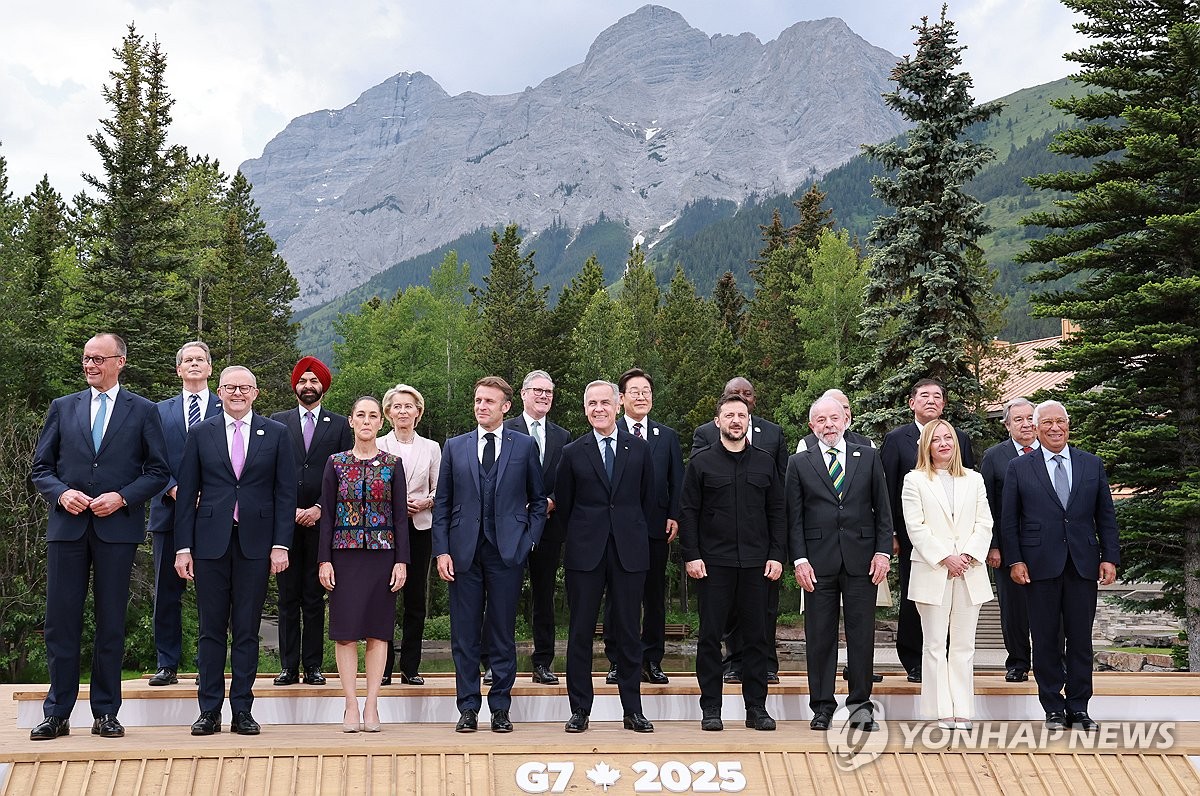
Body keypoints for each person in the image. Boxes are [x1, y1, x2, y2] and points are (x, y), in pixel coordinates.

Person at [30, 333, 170, 741]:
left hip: (116, 531)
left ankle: (106, 712)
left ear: (119, 362)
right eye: (86, 358)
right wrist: (62, 493)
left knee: (111, 623)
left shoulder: (143, 411)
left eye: (98, 358)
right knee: (60, 623)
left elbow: (158, 472)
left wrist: (123, 498)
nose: (89, 365)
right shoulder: (62, 407)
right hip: (67, 530)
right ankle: (57, 713)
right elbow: (41, 468)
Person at [174, 366, 296, 736]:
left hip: (256, 545)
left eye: (244, 388)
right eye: (230, 387)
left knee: (246, 630)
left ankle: (242, 709)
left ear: (256, 393)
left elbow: (285, 492)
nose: (237, 393)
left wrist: (280, 544)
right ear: (220, 392)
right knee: (211, 631)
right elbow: (185, 495)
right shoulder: (200, 433)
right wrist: (183, 548)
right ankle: (208, 711)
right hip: (209, 543)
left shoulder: (276, 434)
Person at [432, 376, 546, 734]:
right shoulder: (454, 446)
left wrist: (528, 541)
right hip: (463, 553)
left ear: (505, 407)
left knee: (501, 633)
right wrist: (442, 551)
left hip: (507, 553)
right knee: (464, 635)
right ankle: (467, 709)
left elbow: (539, 502)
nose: (481, 406)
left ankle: (500, 707)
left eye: (489, 401)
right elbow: (443, 504)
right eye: (478, 400)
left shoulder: (525, 446)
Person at [1001, 400, 1119, 732]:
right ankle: (1052, 706)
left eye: (1061, 422)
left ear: (1068, 425)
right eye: (1047, 423)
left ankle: (1079, 707)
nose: (1055, 428)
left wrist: (1109, 556)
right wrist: (1015, 559)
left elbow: (1105, 516)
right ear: (1035, 429)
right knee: (1045, 638)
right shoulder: (1020, 467)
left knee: (1081, 639)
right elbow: (1009, 520)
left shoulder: (1090, 464)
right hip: (1038, 566)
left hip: (1082, 564)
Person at [680, 392, 785, 731]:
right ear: (718, 422)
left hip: (757, 565)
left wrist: (776, 555)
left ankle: (757, 709)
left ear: (748, 421)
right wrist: (692, 555)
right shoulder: (701, 462)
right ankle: (711, 709)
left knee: (756, 639)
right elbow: (689, 513)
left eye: (741, 415)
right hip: (713, 565)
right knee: (710, 637)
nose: (736, 421)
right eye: (729, 416)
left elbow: (777, 513)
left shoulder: (765, 462)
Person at [558, 381, 657, 734]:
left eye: (604, 402)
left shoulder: (641, 450)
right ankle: (580, 710)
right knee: (580, 633)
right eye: (591, 403)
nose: (598, 408)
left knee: (630, 633)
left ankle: (633, 711)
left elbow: (648, 500)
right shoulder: (572, 453)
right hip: (585, 553)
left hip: (630, 552)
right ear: (585, 408)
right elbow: (565, 506)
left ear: (618, 405)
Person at [787, 396, 892, 732]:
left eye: (834, 418)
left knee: (862, 636)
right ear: (811, 426)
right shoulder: (799, 462)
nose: (828, 425)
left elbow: (883, 512)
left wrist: (882, 553)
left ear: (845, 420)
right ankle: (821, 707)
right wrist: (800, 559)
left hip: (863, 562)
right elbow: (794, 519)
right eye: (821, 420)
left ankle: (861, 707)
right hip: (817, 564)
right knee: (819, 637)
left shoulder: (870, 457)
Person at [318, 396, 409, 732]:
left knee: (377, 632)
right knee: (345, 634)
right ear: (351, 421)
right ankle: (350, 706)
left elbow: (401, 518)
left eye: (373, 416)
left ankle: (372, 705)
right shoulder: (336, 463)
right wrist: (324, 559)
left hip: (383, 556)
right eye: (361, 415)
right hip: (344, 555)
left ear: (380, 422)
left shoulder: (392, 464)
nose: (367, 421)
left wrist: (402, 561)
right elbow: (326, 515)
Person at [880, 378, 975, 683]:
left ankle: (946, 657)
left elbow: (969, 487)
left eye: (937, 396)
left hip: (957, 541)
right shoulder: (897, 439)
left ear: (944, 404)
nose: (931, 401)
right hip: (914, 537)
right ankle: (914, 659)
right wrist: (892, 533)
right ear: (912, 403)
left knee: (953, 600)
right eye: (924, 396)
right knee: (916, 597)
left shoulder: (959, 438)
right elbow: (887, 489)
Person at [901, 420, 994, 730]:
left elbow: (984, 523)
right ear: (926, 446)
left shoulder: (974, 479)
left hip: (970, 571)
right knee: (935, 644)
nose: (943, 444)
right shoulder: (914, 481)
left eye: (948, 438)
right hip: (933, 571)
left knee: (965, 646)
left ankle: (963, 709)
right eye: (936, 439)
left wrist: (966, 555)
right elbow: (916, 527)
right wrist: (946, 558)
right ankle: (939, 710)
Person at [270, 356, 353, 687]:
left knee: (315, 596)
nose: (308, 386)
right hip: (285, 524)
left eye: (313, 381)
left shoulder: (339, 426)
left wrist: (320, 507)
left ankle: (314, 666)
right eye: (303, 381)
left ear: (323, 386)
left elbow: (344, 474)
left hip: (323, 522)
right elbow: (268, 472)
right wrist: (287, 508)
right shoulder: (277, 422)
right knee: (287, 596)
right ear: (295, 386)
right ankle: (289, 666)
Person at [147, 341, 221, 687]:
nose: (194, 364)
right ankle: (167, 663)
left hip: (215, 516)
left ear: (209, 368)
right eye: (187, 360)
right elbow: (148, 460)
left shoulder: (228, 408)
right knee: (166, 592)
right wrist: (175, 488)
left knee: (214, 593)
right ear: (178, 370)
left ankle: (209, 662)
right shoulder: (158, 412)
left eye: (200, 360)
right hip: (169, 510)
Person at [603, 368, 683, 685]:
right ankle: (617, 660)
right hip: (617, 530)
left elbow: (677, 482)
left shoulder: (667, 437)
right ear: (621, 399)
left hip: (655, 529)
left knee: (654, 597)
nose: (642, 396)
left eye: (647, 390)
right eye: (635, 391)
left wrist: (674, 515)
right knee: (618, 597)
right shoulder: (609, 432)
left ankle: (652, 659)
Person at [496, 370, 571, 685]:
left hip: (548, 527)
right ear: (523, 395)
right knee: (503, 595)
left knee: (544, 596)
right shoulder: (505, 429)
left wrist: (551, 501)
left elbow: (567, 481)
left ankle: (542, 662)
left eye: (549, 392)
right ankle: (497, 663)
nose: (543, 396)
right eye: (538, 391)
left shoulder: (562, 436)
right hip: (510, 526)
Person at [377, 383, 442, 685]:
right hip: (385, 531)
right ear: (388, 413)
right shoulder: (378, 445)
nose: (403, 411)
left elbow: (440, 486)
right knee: (385, 597)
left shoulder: (431, 447)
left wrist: (428, 500)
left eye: (409, 406)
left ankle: (411, 667)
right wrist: (396, 504)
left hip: (420, 528)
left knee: (416, 599)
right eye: (397, 406)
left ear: (418, 411)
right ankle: (384, 668)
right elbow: (373, 488)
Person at [979, 397, 1039, 682]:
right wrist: (992, 545)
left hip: (1046, 545)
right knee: (1013, 609)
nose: (1026, 424)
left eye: (1030, 418)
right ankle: (1017, 661)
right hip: (1006, 545)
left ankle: (1050, 661)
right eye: (1019, 419)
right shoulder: (994, 456)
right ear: (1007, 425)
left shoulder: (1053, 453)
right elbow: (986, 503)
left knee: (1050, 607)